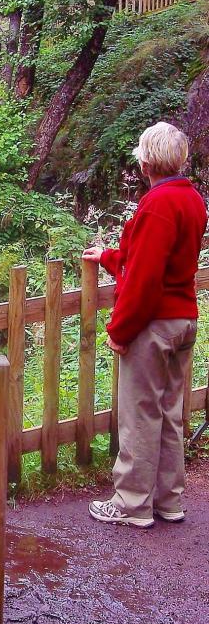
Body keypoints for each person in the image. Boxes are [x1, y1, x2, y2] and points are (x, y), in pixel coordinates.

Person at [82, 121, 207, 528]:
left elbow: (145, 279)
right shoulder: (192, 200)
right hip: (183, 320)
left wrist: (120, 331)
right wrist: (108, 256)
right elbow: (154, 261)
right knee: (171, 413)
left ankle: (131, 503)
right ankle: (168, 501)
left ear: (147, 161)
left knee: (140, 414)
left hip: (154, 324)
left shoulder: (157, 204)